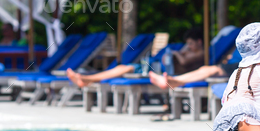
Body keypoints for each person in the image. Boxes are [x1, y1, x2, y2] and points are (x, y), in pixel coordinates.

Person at [66, 27, 205, 87]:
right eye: (188, 44)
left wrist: (177, 52)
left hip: (166, 74)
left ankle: (87, 79)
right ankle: (87, 79)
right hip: (158, 70)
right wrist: (184, 49)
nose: (188, 47)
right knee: (124, 67)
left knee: (125, 68)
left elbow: (184, 61)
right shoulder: (191, 50)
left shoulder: (201, 53)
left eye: (191, 44)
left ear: (199, 42)